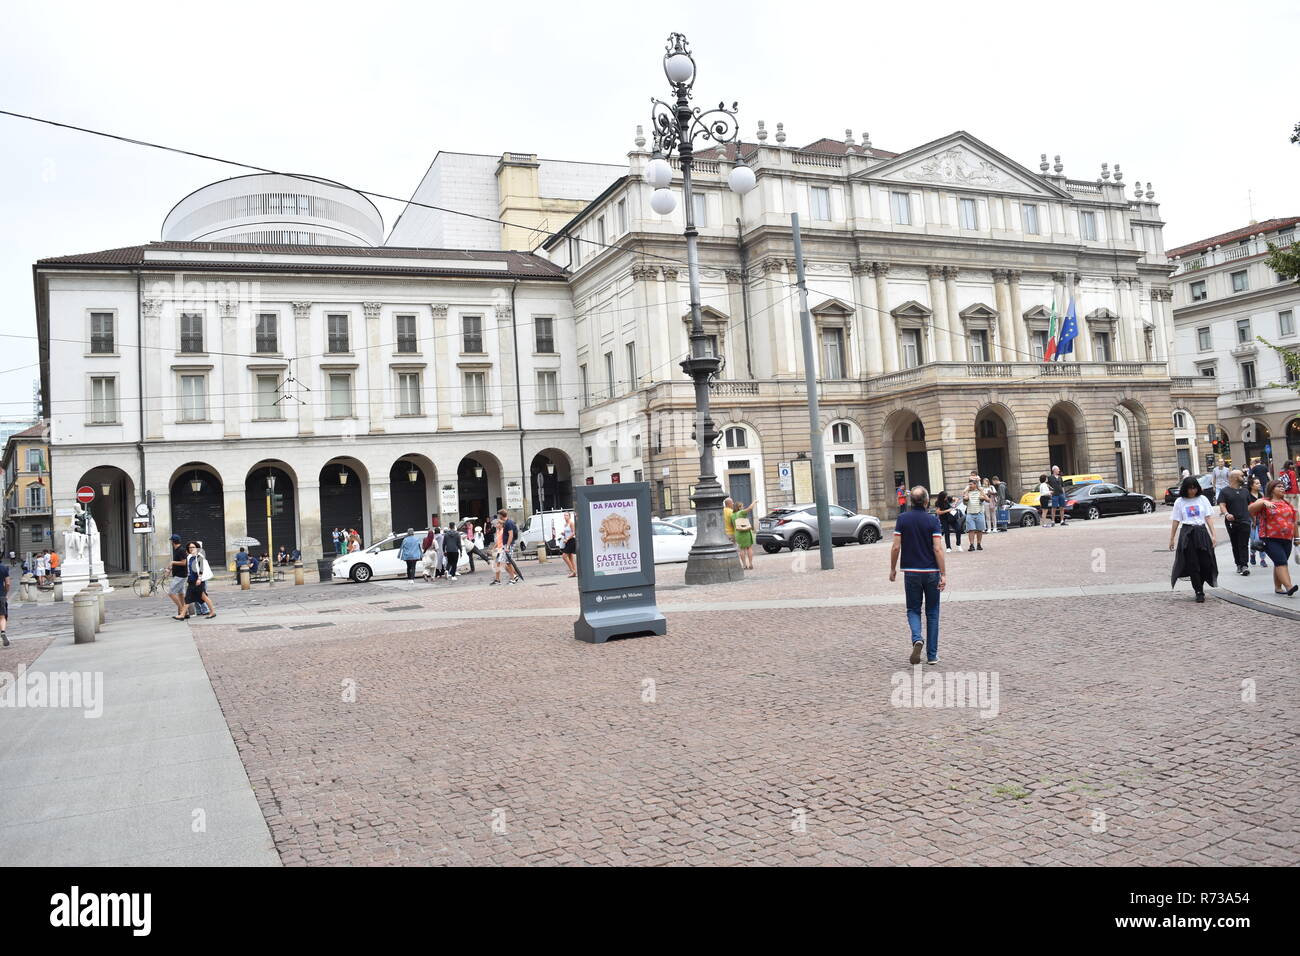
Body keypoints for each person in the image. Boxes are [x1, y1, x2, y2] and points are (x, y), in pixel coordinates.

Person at [889, 486, 946, 666]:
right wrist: (943, 573)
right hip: (931, 572)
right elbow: (937, 548)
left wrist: (893, 569)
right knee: (933, 612)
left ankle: (917, 638)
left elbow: (896, 547)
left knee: (913, 610)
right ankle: (932, 655)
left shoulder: (902, 519)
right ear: (927, 501)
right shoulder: (933, 521)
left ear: (911, 501)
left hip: (911, 572)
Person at [1169, 475, 1218, 603]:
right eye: (1190, 488)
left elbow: (1208, 517)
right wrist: (1172, 538)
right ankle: (1198, 591)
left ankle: (1201, 585)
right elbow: (1176, 520)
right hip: (1187, 533)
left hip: (1201, 532)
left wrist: (1213, 534)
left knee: (1206, 562)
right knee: (1193, 563)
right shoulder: (1179, 502)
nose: (1192, 491)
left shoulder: (1203, 499)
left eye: (1194, 488)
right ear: (1185, 489)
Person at [1248, 480, 1299, 596]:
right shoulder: (1264, 501)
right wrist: (1263, 503)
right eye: (1279, 487)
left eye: (1283, 487)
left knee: (1279, 562)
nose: (1282, 488)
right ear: (1271, 489)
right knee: (1281, 562)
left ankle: (1278, 587)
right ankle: (1289, 586)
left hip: (1286, 539)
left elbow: (1294, 521)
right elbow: (1250, 509)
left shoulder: (1287, 503)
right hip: (1270, 538)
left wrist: (1297, 538)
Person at [1217, 469, 1252, 576]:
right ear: (1235, 478)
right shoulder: (1224, 491)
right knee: (1235, 543)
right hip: (1232, 522)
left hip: (1245, 521)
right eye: (1242, 476)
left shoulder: (1245, 491)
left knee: (1244, 544)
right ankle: (1239, 564)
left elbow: (1250, 506)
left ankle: (1244, 565)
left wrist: (1254, 519)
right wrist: (1227, 514)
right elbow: (1222, 505)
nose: (1244, 477)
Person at [1248, 476, 1269, 569]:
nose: (1259, 485)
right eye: (1257, 483)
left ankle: (1262, 559)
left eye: (1259, 483)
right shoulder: (1247, 496)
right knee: (1253, 540)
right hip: (1252, 521)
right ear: (1252, 486)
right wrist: (1252, 519)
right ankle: (1252, 554)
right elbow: (1247, 509)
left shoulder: (1261, 495)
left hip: (1261, 521)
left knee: (1261, 540)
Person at [963, 478, 989, 552]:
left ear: (975, 484)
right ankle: (971, 545)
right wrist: (965, 492)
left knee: (979, 530)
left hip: (979, 513)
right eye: (969, 484)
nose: (969, 485)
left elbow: (988, 500)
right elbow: (964, 500)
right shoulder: (967, 492)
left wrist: (983, 495)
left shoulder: (980, 491)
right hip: (970, 513)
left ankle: (979, 544)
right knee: (971, 530)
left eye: (971, 484)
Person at [167, 533, 189, 620]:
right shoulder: (177, 550)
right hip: (179, 575)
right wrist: (170, 569)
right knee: (180, 594)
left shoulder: (181, 550)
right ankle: (185, 613)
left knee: (171, 593)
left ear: (173, 542)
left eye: (171, 541)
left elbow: (184, 562)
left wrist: (172, 562)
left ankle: (182, 611)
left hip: (180, 576)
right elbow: (179, 563)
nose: (171, 542)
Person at [497, 509, 523, 582]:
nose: (499, 517)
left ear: (501, 515)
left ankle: (513, 578)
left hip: (509, 545)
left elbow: (510, 535)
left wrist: (507, 546)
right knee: (504, 562)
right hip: (506, 545)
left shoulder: (509, 523)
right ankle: (513, 577)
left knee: (508, 562)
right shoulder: (507, 522)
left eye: (499, 515)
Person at [732, 499, 756, 570]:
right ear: (739, 507)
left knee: (741, 549)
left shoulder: (732, 515)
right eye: (742, 506)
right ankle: (750, 564)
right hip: (745, 533)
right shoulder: (741, 513)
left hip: (738, 533)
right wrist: (754, 502)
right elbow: (750, 508)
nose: (743, 507)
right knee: (749, 548)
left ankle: (744, 565)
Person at [560, 512, 577, 577]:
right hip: (567, 541)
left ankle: (572, 571)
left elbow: (573, 533)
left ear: (569, 516)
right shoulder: (565, 524)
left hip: (571, 541)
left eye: (566, 515)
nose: (565, 516)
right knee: (570, 558)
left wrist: (567, 538)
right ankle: (574, 572)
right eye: (564, 515)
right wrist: (563, 534)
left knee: (564, 556)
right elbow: (567, 532)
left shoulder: (571, 523)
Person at [0, 556, 10, 647]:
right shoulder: (4, 568)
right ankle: (3, 632)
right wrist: (6, 593)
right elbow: (8, 583)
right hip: (1, 595)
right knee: (2, 616)